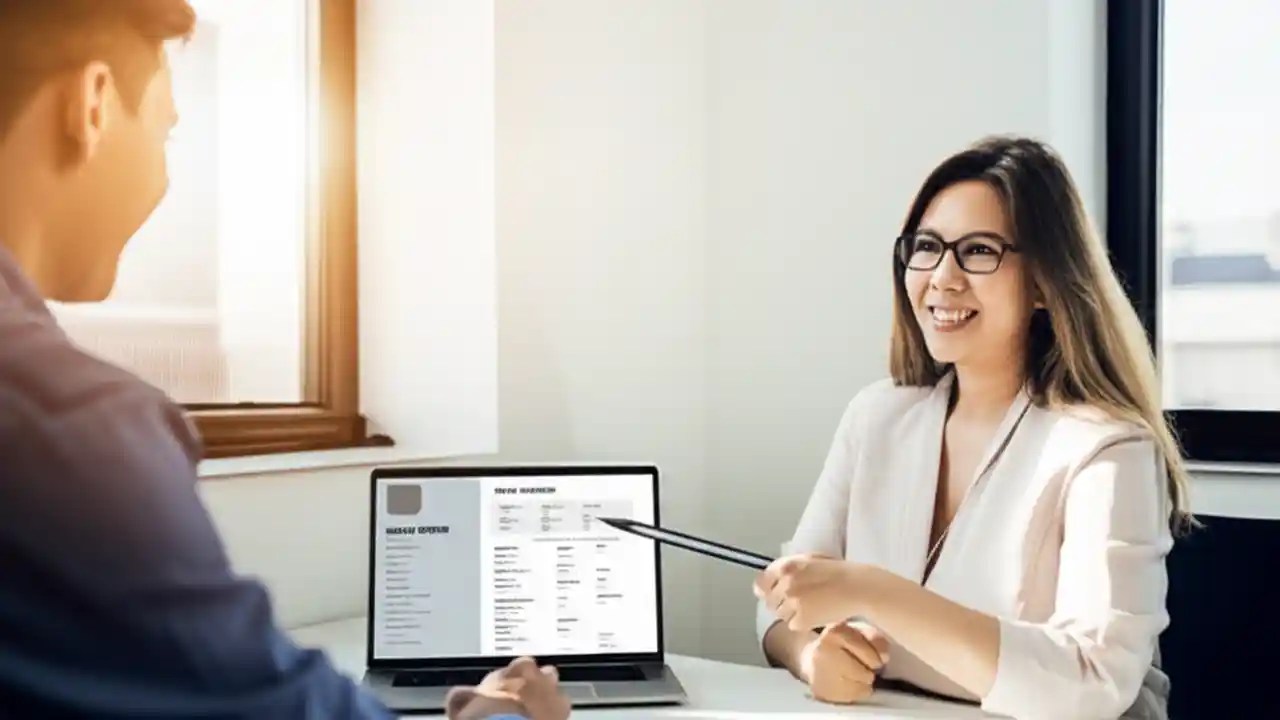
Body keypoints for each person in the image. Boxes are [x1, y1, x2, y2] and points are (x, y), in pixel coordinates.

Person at [0, 2, 567, 718]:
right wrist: (514, 714)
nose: (165, 178)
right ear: (94, 104)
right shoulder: (69, 432)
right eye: (168, 132)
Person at [753, 136, 1190, 720]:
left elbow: (1094, 681)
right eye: (927, 247)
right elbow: (782, 596)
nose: (942, 277)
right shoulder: (877, 416)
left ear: (1043, 281)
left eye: (979, 251)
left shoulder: (1107, 448)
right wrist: (810, 656)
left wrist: (870, 590)